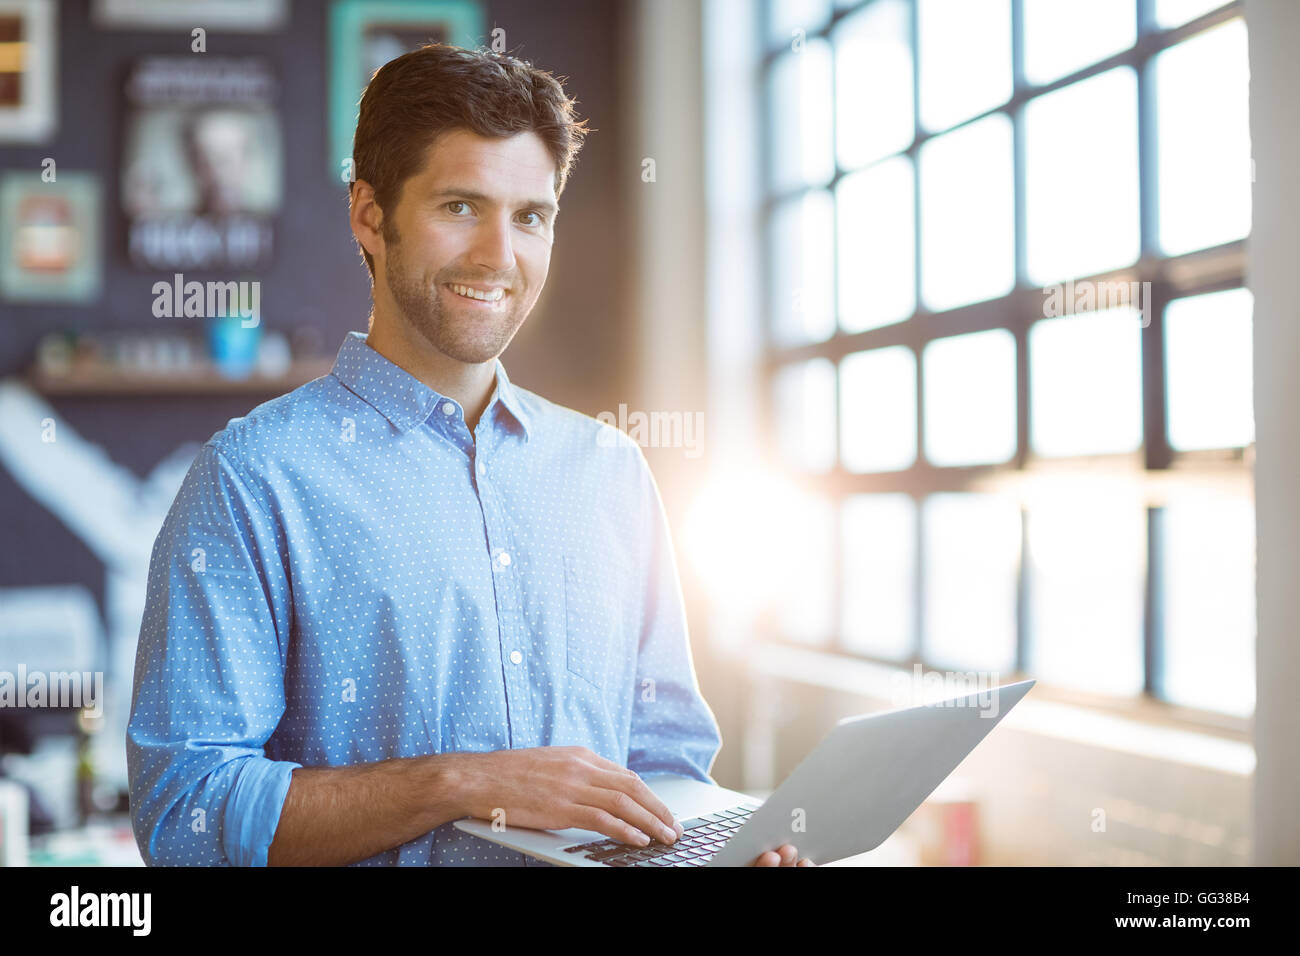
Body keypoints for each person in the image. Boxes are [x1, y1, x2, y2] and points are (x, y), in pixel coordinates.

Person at [127, 43, 810, 867]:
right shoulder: (251, 480)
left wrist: (721, 851)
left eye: (530, 216)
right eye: (461, 207)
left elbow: (662, 769)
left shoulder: (612, 472)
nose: (499, 255)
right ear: (371, 217)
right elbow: (186, 815)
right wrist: (455, 782)